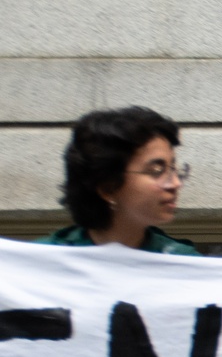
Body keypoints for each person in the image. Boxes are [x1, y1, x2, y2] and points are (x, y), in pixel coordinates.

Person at [44, 106, 201, 254]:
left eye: (173, 168)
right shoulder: (46, 262)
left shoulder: (182, 262)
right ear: (108, 188)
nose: (175, 184)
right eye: (156, 171)